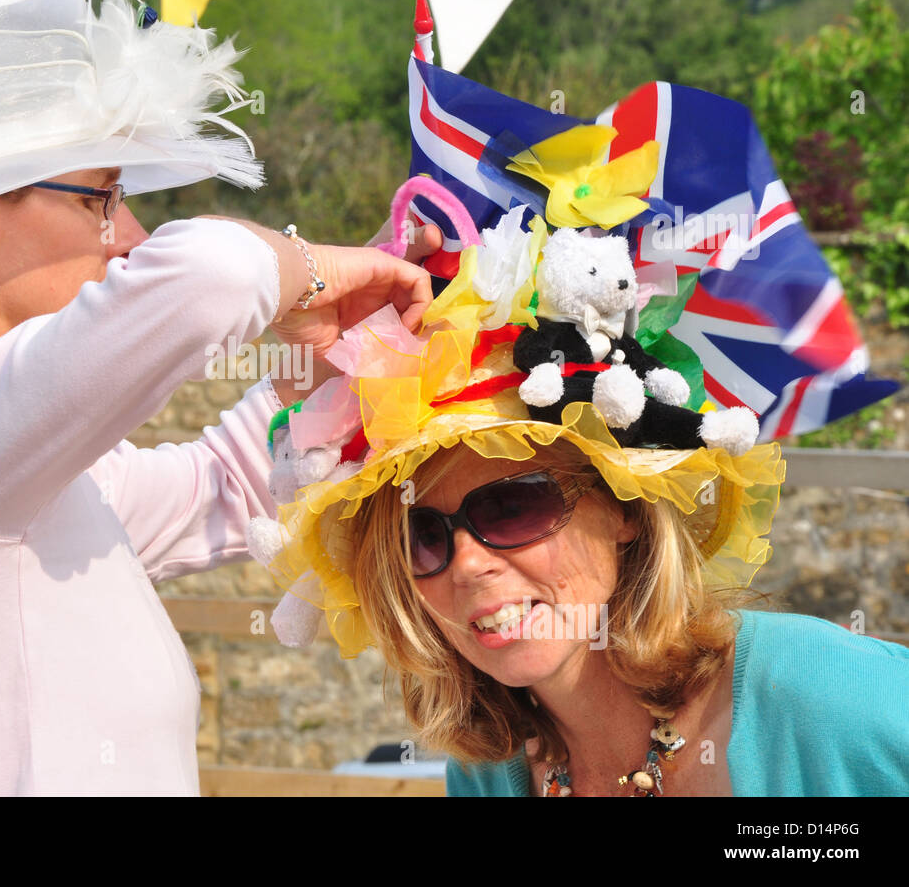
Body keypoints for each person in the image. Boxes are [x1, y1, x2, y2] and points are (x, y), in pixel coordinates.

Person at [0, 0, 434, 795]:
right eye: (101, 196)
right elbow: (212, 274)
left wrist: (337, 342)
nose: (131, 236)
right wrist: (315, 272)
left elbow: (223, 485)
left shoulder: (5, 462)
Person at [251, 197, 909, 797]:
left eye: (512, 505)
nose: (467, 562)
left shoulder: (828, 700)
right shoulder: (491, 775)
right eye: (423, 534)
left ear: (623, 506)